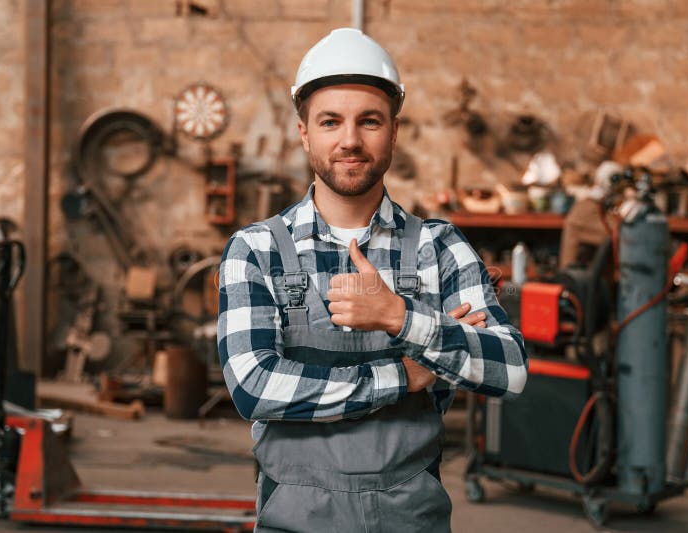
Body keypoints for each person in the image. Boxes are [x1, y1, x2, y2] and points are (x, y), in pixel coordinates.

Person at [218, 28, 527, 533]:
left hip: (412, 520)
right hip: (295, 521)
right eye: (330, 121)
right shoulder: (256, 249)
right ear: (304, 133)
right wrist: (405, 374)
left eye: (369, 121)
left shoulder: (439, 246)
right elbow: (254, 386)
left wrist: (399, 317)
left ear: (393, 131)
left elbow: (509, 369)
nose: (350, 140)